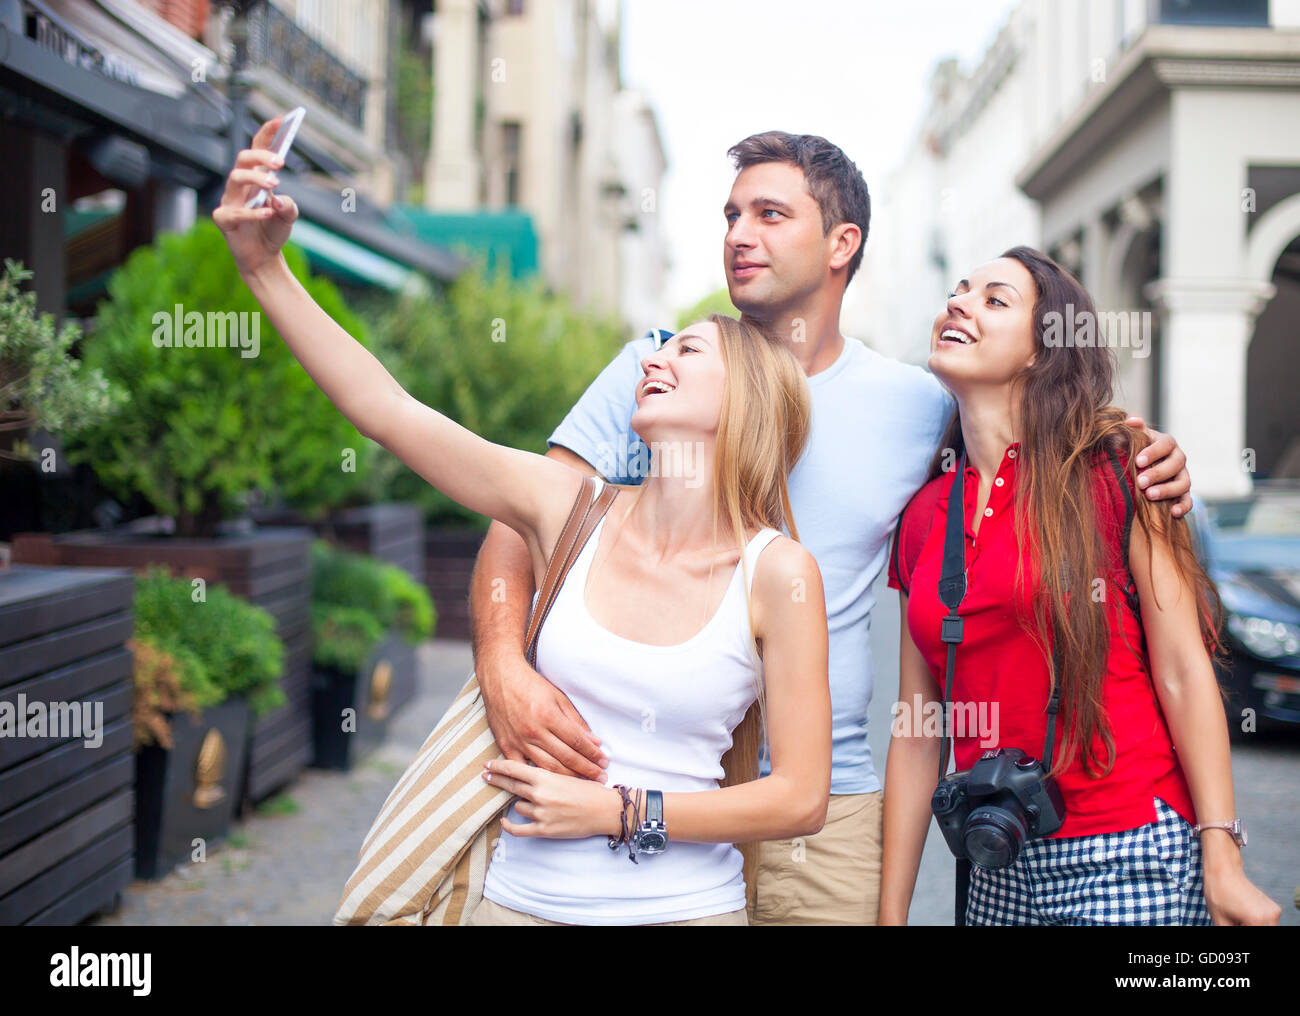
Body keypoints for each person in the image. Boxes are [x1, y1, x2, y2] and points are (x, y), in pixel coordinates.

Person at [468, 131, 1196, 925]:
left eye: (770, 214)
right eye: (732, 215)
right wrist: (503, 664)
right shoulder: (656, 371)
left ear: (843, 242)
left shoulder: (918, 405)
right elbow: (521, 528)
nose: (740, 235)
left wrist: (1139, 444)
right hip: (642, 780)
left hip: (826, 809)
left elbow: (1033, 424)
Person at [214, 117, 832, 926]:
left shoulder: (778, 572)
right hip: (516, 906)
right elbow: (390, 412)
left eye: (685, 354)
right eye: (659, 350)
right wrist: (265, 272)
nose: (652, 361)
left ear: (745, 397)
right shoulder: (566, 504)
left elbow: (800, 798)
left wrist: (620, 811)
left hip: (685, 911)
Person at [878, 247, 1281, 926]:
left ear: (1044, 350)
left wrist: (1223, 852)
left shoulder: (1118, 471)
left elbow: (1184, 672)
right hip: (998, 861)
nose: (959, 303)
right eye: (959, 291)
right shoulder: (924, 516)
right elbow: (919, 732)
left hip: (1130, 848)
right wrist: (890, 917)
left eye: (994, 300)